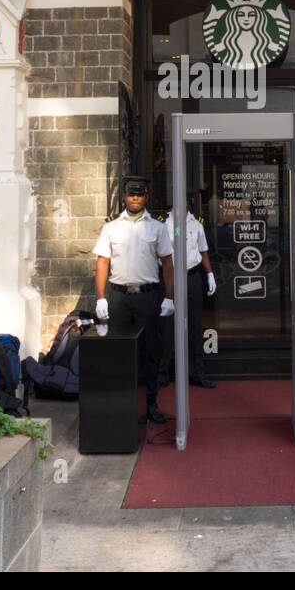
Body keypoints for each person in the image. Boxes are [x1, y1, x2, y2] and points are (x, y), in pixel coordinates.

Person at [92, 175, 176, 424]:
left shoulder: (157, 228)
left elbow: (168, 264)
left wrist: (169, 296)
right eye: (131, 194)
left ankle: (151, 403)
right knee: (118, 353)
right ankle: (120, 406)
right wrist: (100, 298)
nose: (135, 198)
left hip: (147, 297)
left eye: (139, 194)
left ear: (146, 197)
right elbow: (102, 262)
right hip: (119, 297)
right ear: (125, 197)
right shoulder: (111, 227)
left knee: (151, 352)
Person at [162, 197, 217, 389]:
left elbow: (203, 251)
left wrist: (209, 274)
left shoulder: (196, 224)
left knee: (195, 325)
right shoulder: (162, 224)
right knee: (167, 327)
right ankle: (164, 373)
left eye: (184, 202)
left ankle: (197, 372)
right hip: (170, 278)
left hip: (192, 276)